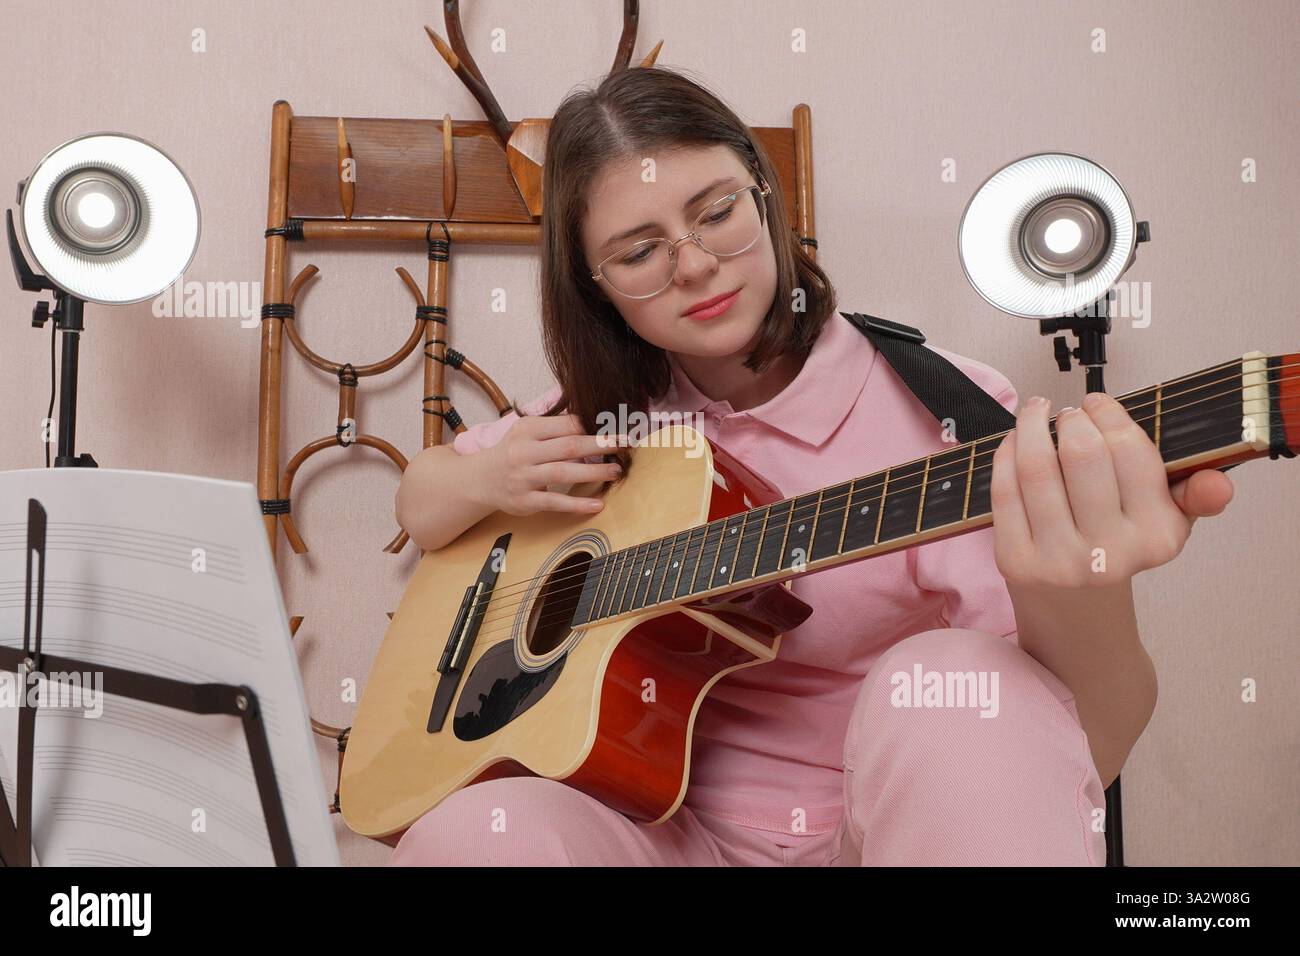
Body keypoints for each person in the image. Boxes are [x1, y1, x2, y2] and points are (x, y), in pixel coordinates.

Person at [389, 66, 1233, 866]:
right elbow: (419, 502)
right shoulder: (597, 423)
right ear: (595, 285)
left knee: (954, 680)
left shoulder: (946, 409)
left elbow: (1081, 741)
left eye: (716, 211)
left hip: (878, 837)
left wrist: (1089, 588)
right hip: (653, 835)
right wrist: (481, 479)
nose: (693, 265)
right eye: (639, 253)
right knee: (469, 831)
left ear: (765, 194)